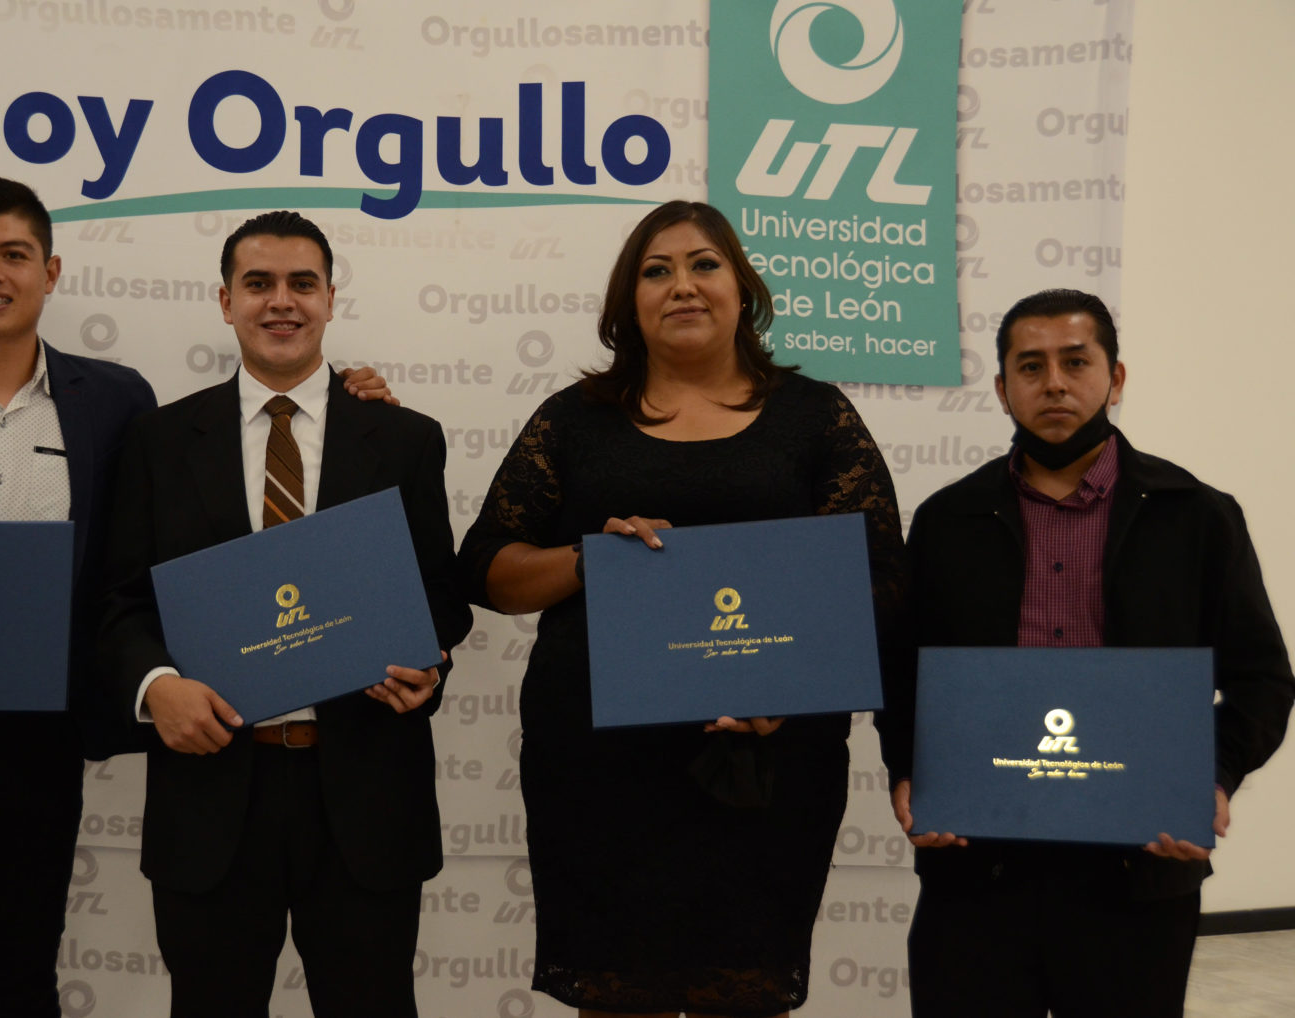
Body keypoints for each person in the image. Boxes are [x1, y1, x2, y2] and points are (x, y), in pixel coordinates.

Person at [0, 176, 392, 1018]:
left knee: (21, 990)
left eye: (14, 254)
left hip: (40, 747)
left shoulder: (114, 402)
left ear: (50, 272)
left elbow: (169, 533)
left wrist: (346, 401)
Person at [457, 200, 907, 1018]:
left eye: (704, 264)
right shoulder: (575, 420)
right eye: (656, 271)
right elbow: (486, 568)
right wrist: (590, 558)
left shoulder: (815, 416)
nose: (683, 285)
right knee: (617, 998)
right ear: (628, 301)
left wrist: (790, 691)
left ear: (743, 288)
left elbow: (877, 579)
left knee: (746, 995)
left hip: (768, 763)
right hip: (601, 770)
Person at [96, 210, 472, 1018]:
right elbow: (120, 600)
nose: (281, 301)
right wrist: (156, 685)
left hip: (366, 793)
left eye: (303, 283)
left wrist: (430, 666)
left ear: (331, 299)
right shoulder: (159, 441)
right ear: (224, 300)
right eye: (258, 283)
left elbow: (440, 595)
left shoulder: (405, 439)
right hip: (212, 795)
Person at [881, 289, 1294, 1017]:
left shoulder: (1197, 516)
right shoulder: (948, 520)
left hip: (1138, 868)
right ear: (1002, 389)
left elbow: (1262, 679)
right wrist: (910, 770)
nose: (1055, 384)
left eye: (1076, 362)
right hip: (977, 867)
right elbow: (902, 669)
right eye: (1031, 367)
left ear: (1116, 377)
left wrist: (1212, 777)